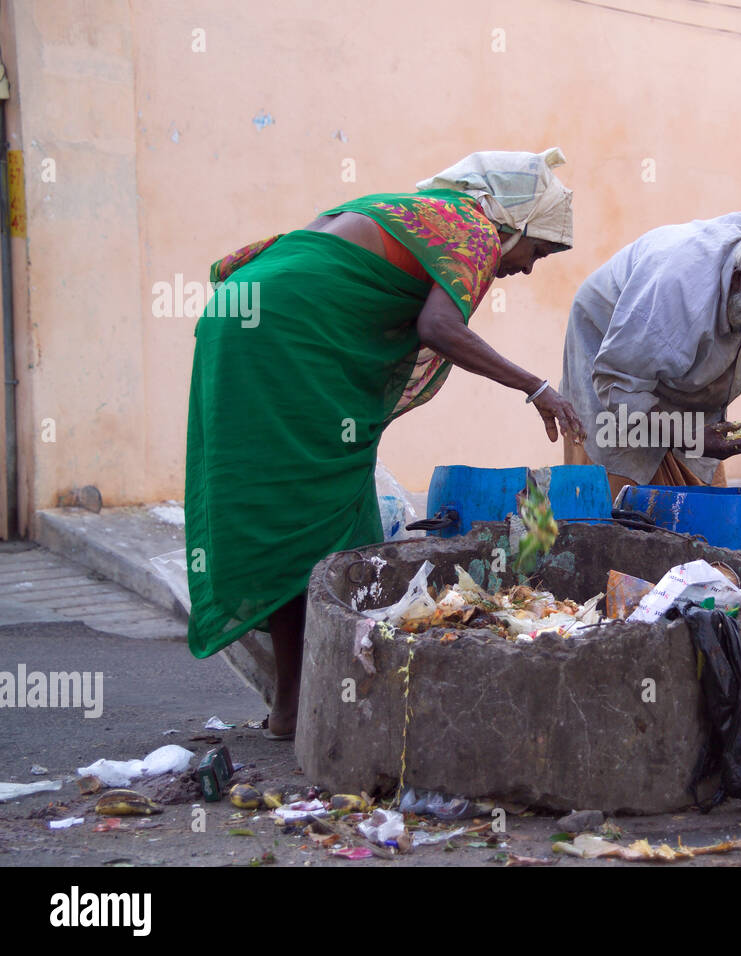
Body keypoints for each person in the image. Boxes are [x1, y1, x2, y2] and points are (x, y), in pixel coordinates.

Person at [185, 148, 585, 739]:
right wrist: (537, 387)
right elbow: (439, 329)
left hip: (242, 319)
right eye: (539, 252)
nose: (526, 269)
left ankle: (292, 708)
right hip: (282, 334)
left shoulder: (425, 211)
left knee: (291, 509)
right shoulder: (473, 229)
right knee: (331, 519)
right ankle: (322, 703)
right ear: (515, 226)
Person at [559, 213, 741, 499]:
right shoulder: (677, 294)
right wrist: (693, 438)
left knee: (701, 493)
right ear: (739, 280)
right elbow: (619, 388)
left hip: (676, 370)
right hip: (611, 344)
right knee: (623, 470)